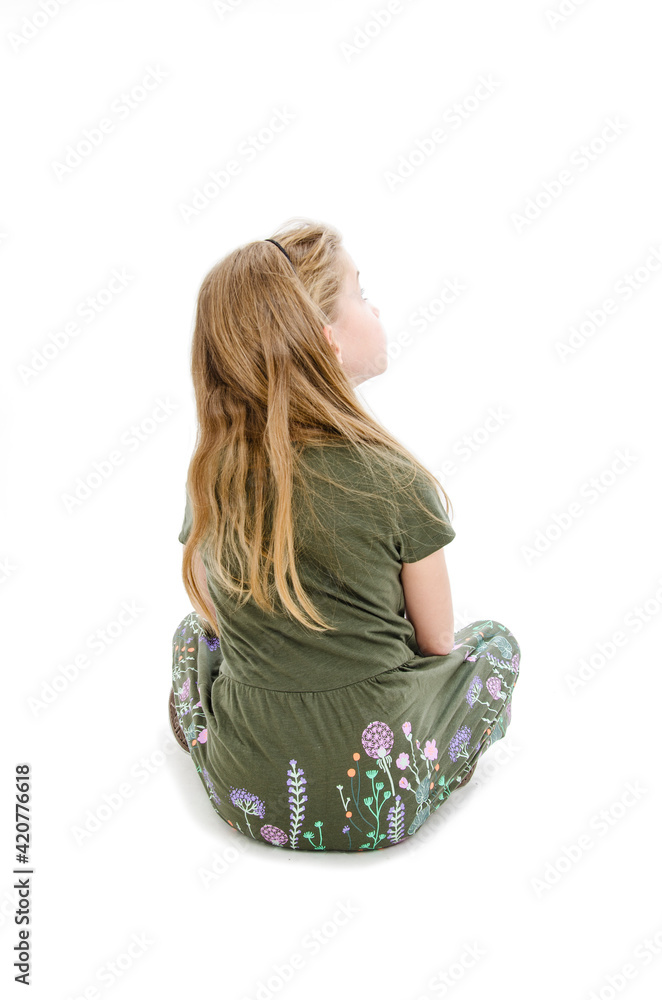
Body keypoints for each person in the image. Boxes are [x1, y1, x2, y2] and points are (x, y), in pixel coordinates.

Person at [169, 218, 521, 853]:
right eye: (361, 292)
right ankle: (427, 765)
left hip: (246, 800)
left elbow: (213, 618)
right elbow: (437, 641)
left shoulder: (214, 477)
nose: (375, 306)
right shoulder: (395, 480)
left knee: (190, 641)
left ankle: (231, 746)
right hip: (383, 798)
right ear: (325, 339)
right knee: (493, 646)